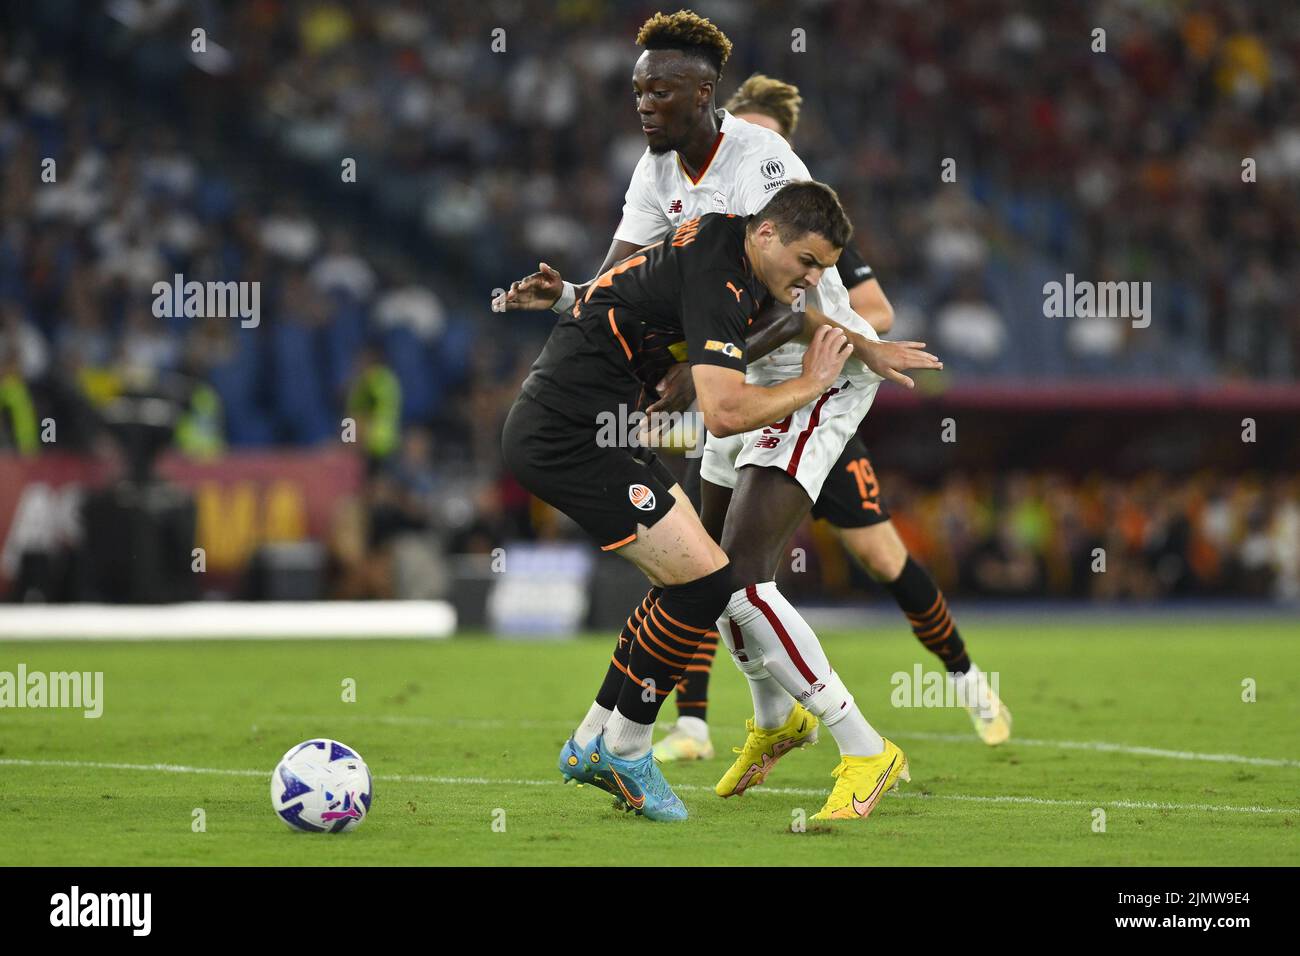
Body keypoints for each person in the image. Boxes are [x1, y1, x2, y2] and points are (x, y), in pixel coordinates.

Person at [499, 11, 937, 820]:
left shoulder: (761, 168)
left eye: (659, 90)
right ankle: (776, 721)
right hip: (733, 377)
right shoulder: (657, 168)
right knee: (710, 579)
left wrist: (698, 365)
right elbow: (620, 277)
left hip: (817, 370)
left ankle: (866, 749)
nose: (643, 103)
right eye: (637, 89)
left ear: (706, 95)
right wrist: (569, 300)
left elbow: (797, 302)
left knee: (730, 573)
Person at [653, 74, 1011, 764]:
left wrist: (846, 339)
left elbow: (865, 312)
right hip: (747, 394)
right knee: (709, 554)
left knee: (876, 555)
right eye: (742, 137)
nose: (750, 153)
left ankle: (965, 679)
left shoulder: (810, 228)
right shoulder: (722, 222)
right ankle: (695, 723)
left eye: (765, 139)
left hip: (816, 397)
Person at [502, 183, 883, 821]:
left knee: (685, 578)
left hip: (595, 429)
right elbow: (726, 410)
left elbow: (617, 294)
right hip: (568, 438)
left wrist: (864, 344)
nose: (814, 280)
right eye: (808, 264)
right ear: (766, 235)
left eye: (824, 269)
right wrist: (811, 382)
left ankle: (594, 736)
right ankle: (626, 749)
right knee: (706, 584)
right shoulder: (720, 278)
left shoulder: (720, 239)